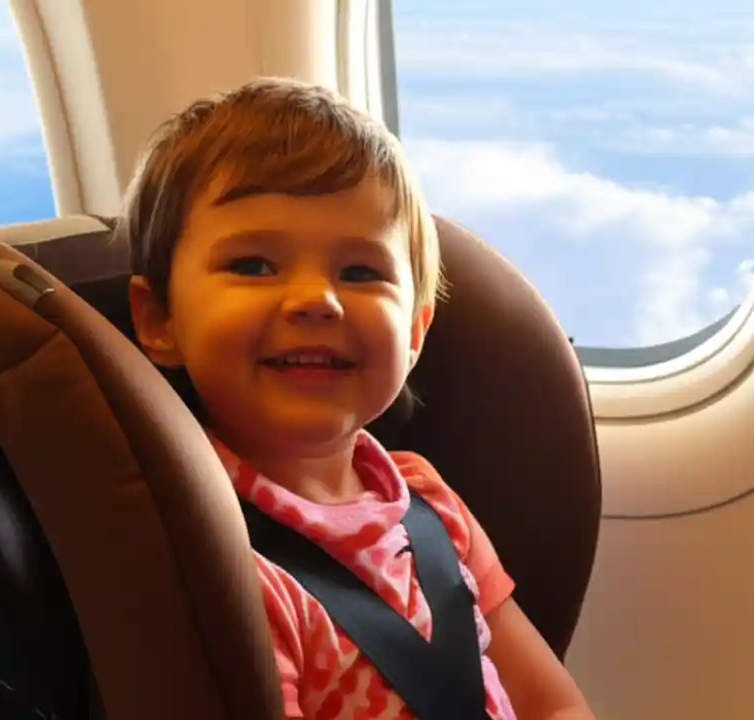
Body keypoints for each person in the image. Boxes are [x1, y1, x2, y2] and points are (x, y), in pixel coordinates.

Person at [120, 76, 593, 720]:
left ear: (417, 329)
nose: (317, 299)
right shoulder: (216, 562)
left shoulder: (430, 504)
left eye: (361, 272)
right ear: (159, 320)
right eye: (255, 265)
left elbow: (552, 705)